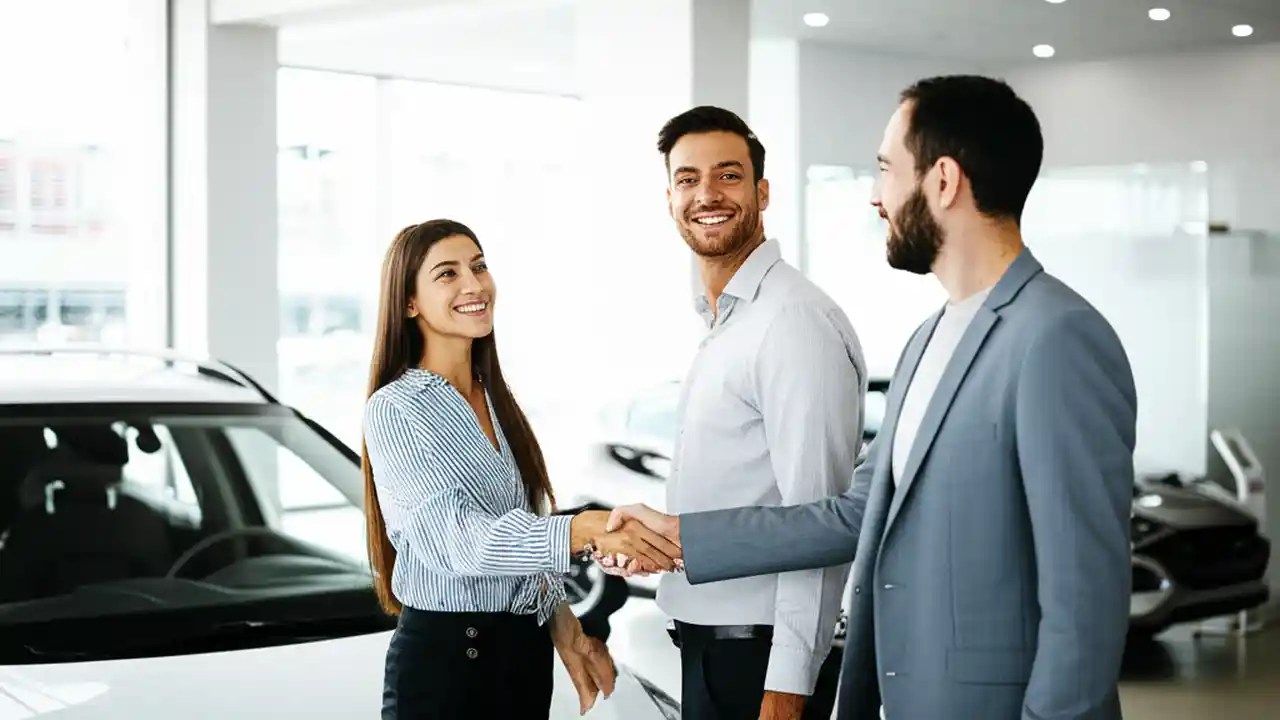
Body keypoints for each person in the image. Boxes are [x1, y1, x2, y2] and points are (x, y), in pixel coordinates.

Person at [606, 76, 1138, 720]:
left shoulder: (1058, 337)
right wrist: (681, 535)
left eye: (886, 169)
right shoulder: (927, 340)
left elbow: (1085, 601)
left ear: (942, 181)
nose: (874, 197)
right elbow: (849, 518)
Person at [361, 219, 681, 719]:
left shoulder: (493, 400)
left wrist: (565, 627)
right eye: (448, 274)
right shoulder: (396, 408)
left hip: (521, 656)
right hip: (447, 669)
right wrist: (588, 527)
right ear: (409, 303)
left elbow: (516, 540)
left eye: (479, 265)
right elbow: (461, 543)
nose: (474, 284)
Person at [629, 106, 865, 720]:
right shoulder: (727, 321)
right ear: (670, 197)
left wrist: (787, 689)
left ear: (762, 192)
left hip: (759, 665)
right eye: (687, 179)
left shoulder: (791, 321)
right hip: (711, 649)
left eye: (728, 175)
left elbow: (819, 523)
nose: (706, 194)